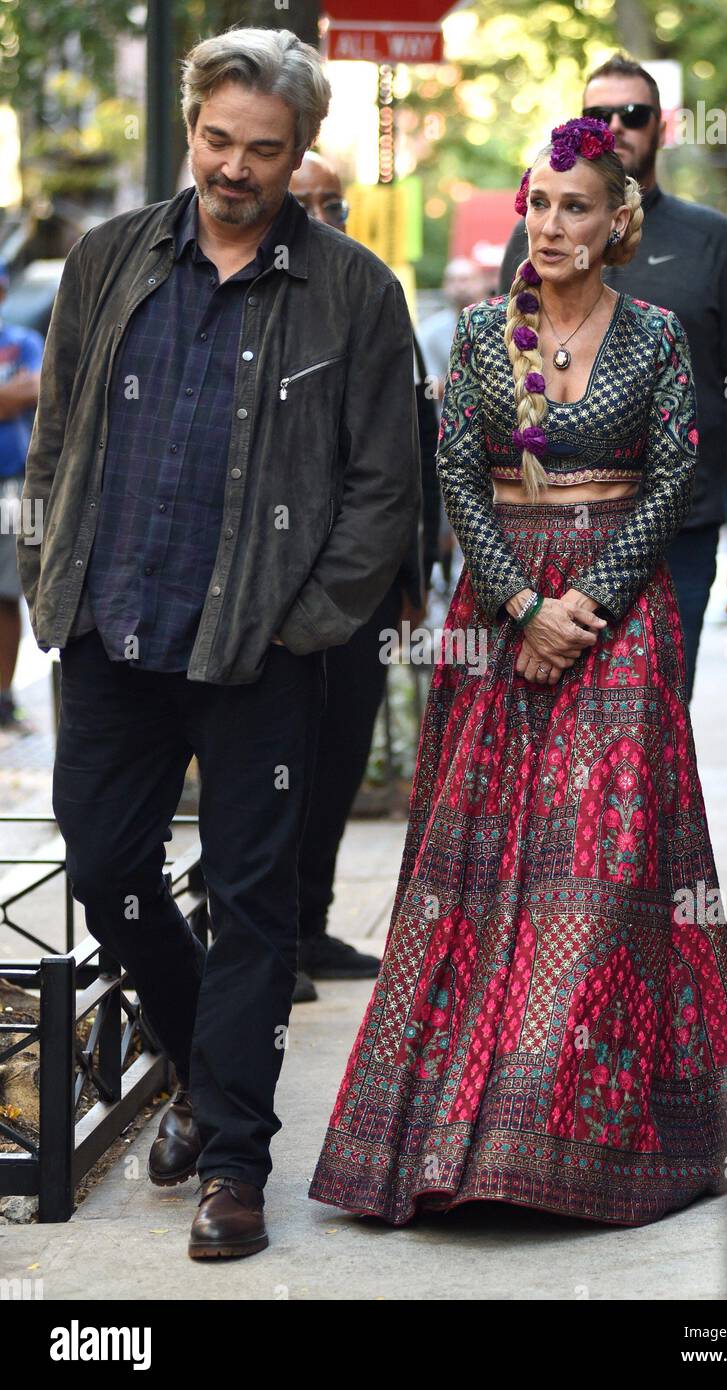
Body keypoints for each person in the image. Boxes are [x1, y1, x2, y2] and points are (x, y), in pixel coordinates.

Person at [18, 27, 420, 1260]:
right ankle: (204, 1067)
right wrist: (47, 577)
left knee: (254, 908)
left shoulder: (353, 291)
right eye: (215, 142)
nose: (234, 169)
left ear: (301, 153)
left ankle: (235, 1163)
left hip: (259, 656)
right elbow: (58, 438)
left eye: (263, 149)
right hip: (112, 632)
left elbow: (380, 492)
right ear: (191, 129)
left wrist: (305, 627)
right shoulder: (105, 259)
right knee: (104, 865)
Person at [308, 117, 727, 1228]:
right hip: (500, 609)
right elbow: (455, 473)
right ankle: (466, 1132)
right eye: (538, 204)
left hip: (619, 611)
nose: (550, 225)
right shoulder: (474, 336)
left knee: (598, 867)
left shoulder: (651, 335)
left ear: (616, 222)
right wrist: (517, 606)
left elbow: (670, 482)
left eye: (575, 208)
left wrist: (584, 605)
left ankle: (567, 1140)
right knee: (482, 865)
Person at [499, 55, 727, 703]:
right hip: (552, 528)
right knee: (548, 735)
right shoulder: (537, 235)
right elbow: (508, 385)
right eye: (599, 114)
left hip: (677, 533)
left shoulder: (710, 241)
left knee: (653, 728)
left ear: (663, 126)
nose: (617, 126)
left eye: (634, 114)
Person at [288, 150, 441, 1003]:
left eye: (334, 203)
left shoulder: (376, 292)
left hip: (368, 580)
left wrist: (412, 579)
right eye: (303, 201)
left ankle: (309, 923)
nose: (319, 217)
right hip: (272, 583)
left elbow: (415, 448)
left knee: (342, 750)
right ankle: (267, 938)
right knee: (275, 761)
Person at [0, 260, 43, 733]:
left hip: (18, 485)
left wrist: (14, 396)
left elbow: (36, 388)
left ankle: (3, 698)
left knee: (14, 590)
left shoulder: (24, 341)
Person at [417, 257, 490, 413]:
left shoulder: (500, 325)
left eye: (466, 279)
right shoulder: (429, 332)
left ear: (482, 283)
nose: (459, 286)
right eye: (453, 280)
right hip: (448, 425)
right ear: (444, 286)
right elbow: (427, 388)